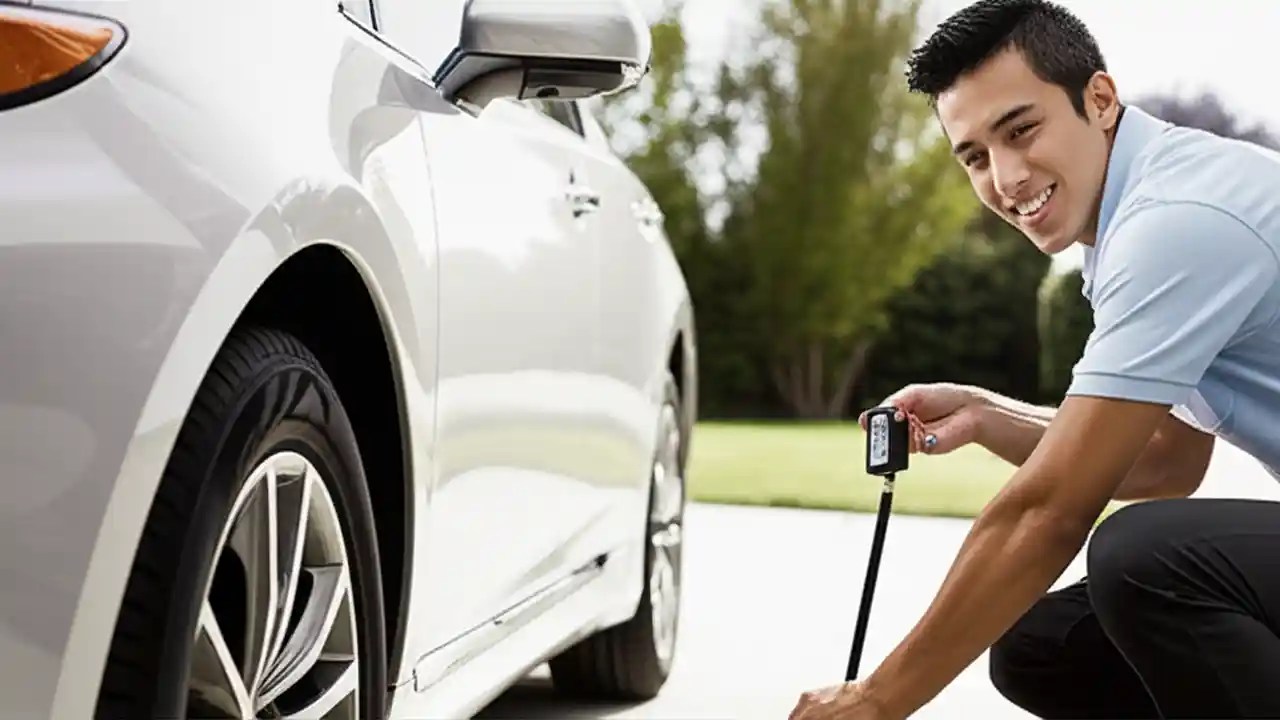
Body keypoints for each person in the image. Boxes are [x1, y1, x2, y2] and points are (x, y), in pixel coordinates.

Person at [788, 0, 1280, 718]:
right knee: (1044, 645)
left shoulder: (1178, 224)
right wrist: (991, 417)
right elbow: (1166, 459)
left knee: (1147, 561)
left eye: (1022, 130)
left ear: (1100, 100)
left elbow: (1050, 510)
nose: (1007, 178)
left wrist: (876, 701)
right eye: (976, 156)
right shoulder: (1134, 216)